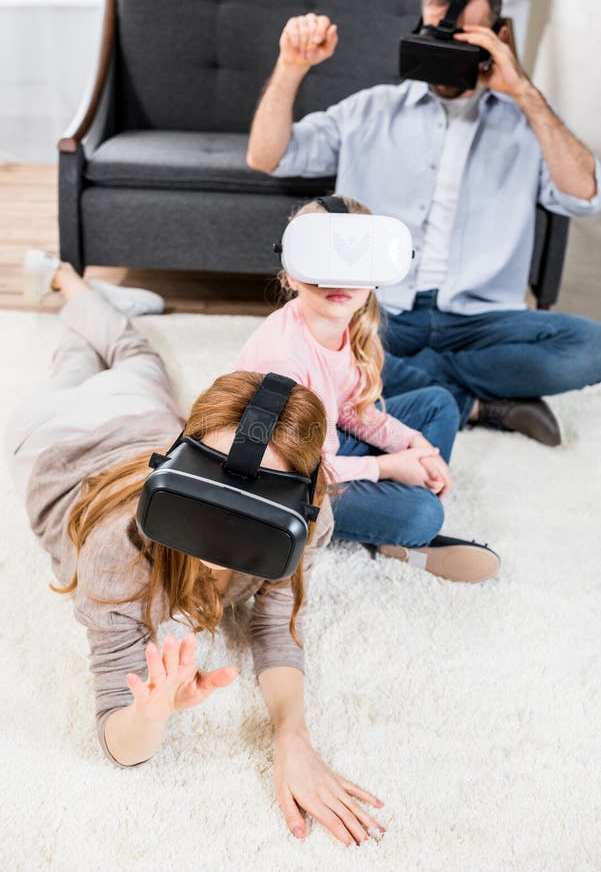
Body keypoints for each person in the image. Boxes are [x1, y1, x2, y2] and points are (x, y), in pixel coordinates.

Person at [5, 262, 387, 848]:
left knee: (113, 354)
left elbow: (274, 625)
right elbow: (117, 733)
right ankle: (66, 280)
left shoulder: (302, 526)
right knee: (104, 357)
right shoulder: (122, 541)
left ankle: (83, 304)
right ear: (182, 457)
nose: (225, 517)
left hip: (143, 416)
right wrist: (151, 713)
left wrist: (292, 736)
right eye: (210, 486)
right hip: (60, 439)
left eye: (256, 496)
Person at [246, 0, 601, 447]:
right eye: (434, 31)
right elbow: (267, 156)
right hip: (379, 312)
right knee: (313, 348)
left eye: (461, 37)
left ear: (499, 37)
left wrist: (524, 91)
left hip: (480, 320)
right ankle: (479, 401)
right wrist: (291, 67)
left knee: (589, 348)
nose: (443, 49)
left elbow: (585, 194)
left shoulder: (526, 124)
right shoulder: (370, 110)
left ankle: (422, 384)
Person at [236, 195, 499, 582]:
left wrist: (414, 446)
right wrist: (387, 466)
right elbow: (297, 470)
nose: (340, 281)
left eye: (354, 265)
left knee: (439, 405)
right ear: (290, 274)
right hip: (285, 482)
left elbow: (351, 410)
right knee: (424, 513)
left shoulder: (343, 332)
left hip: (324, 444)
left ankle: (390, 513)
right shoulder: (283, 360)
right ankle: (398, 527)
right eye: (323, 265)